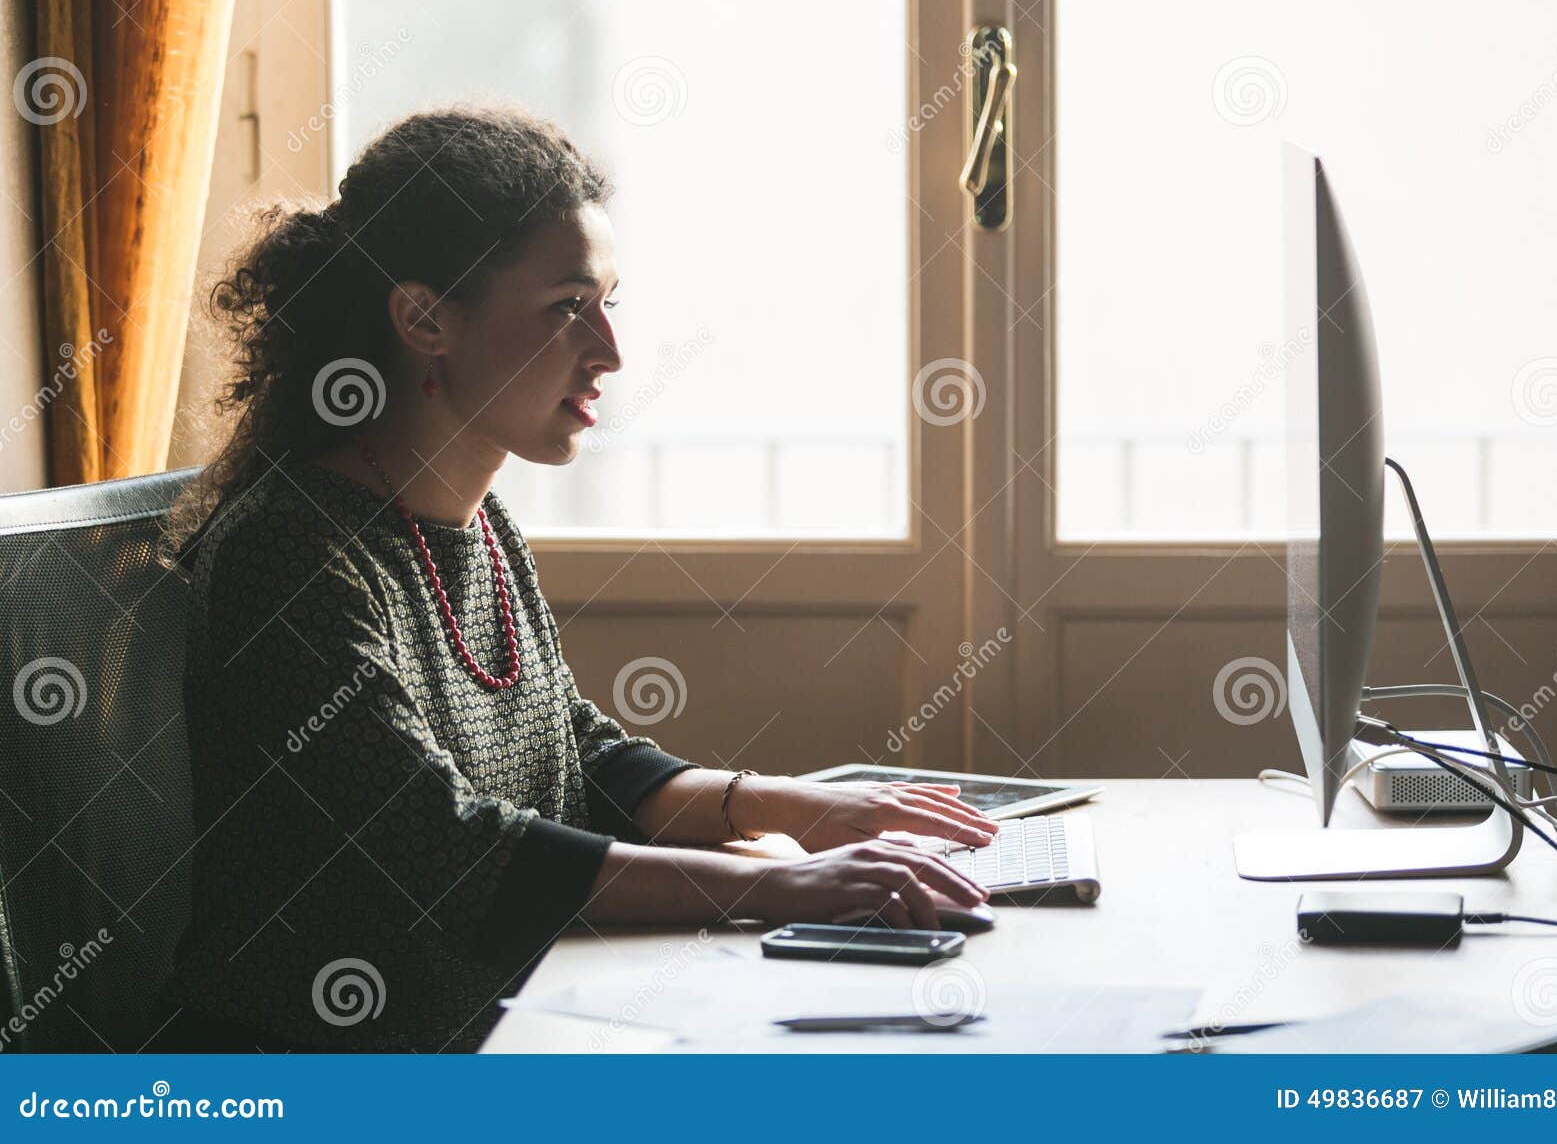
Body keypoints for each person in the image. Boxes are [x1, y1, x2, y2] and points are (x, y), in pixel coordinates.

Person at [152, 105, 998, 1052]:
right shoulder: (287, 554)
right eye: (567, 308)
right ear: (425, 318)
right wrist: (779, 883)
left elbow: (574, 753)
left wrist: (807, 807)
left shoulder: (475, 521)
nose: (610, 351)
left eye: (609, 303)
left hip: (495, 1029)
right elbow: (440, 848)